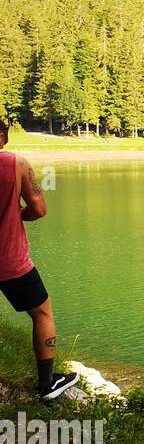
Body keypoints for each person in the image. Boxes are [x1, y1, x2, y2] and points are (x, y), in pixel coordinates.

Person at [0, 120, 78, 399]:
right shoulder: (15, 164)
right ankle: (46, 384)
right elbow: (39, 209)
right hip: (9, 261)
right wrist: (15, 215)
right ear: (1, 138)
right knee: (42, 312)